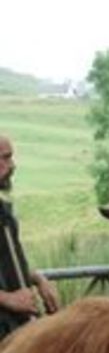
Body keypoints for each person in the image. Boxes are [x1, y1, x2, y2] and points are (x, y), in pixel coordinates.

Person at [0, 135, 59, 340]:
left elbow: (9, 267)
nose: (12, 165)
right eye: (5, 158)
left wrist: (38, 280)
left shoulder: (4, 215)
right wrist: (7, 299)